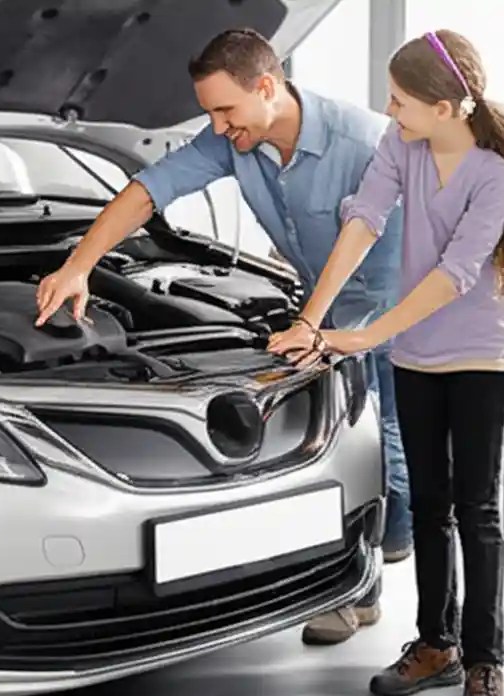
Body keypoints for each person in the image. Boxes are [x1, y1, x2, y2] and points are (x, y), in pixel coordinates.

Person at [32, 29, 411, 645]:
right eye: (210, 112)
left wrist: (322, 326)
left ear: (266, 87)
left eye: (224, 110)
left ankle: (387, 567)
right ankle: (357, 589)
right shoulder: (236, 140)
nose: (217, 125)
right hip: (324, 308)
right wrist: (78, 265)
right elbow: (149, 190)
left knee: (388, 442)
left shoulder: (366, 143)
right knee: (354, 443)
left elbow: (402, 253)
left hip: (401, 308)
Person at [267, 29, 504, 696]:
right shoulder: (403, 148)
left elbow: (455, 275)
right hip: (415, 352)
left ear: (446, 106)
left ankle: (485, 664)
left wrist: (361, 335)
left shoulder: (494, 174)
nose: (390, 112)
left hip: (481, 355)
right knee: (427, 505)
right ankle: (435, 645)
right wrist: (314, 317)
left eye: (400, 101)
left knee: (477, 511)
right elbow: (364, 220)